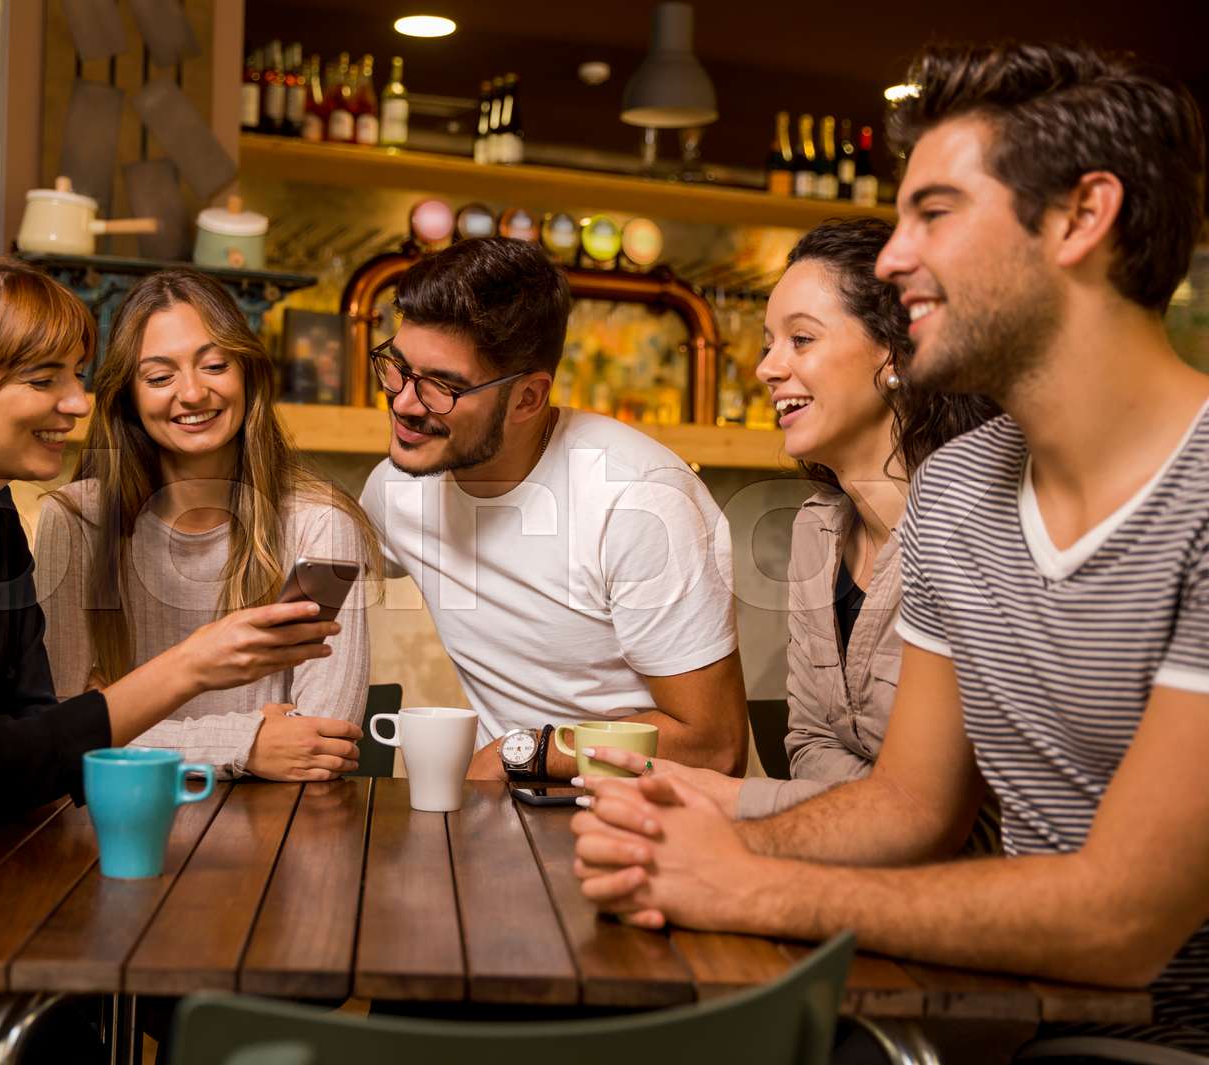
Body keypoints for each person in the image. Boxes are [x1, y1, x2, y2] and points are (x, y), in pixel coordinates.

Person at [573, 42, 1209, 1054]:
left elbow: (1123, 920)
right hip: (1014, 1018)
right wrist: (693, 843)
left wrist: (747, 883)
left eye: (934, 213)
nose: (893, 258)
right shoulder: (958, 492)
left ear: (1081, 217)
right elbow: (910, 807)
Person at [0, 257, 342, 826]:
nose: (78, 404)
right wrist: (193, 666)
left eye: (77, 376)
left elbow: (31, 738)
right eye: (44, 381)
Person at [581, 218, 998, 855]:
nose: (766, 368)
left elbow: (950, 823)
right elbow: (808, 745)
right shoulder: (817, 530)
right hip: (848, 872)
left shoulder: (973, 532)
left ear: (895, 352)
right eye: (769, 344)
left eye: (801, 339)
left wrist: (728, 798)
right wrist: (873, 807)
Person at [361, 237, 748, 783]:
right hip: (506, 811)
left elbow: (715, 747)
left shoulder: (640, 501)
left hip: (648, 814)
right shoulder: (397, 488)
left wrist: (519, 752)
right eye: (397, 368)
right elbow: (311, 600)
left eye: (442, 387)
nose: (403, 402)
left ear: (527, 398)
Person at [36, 269, 372, 781]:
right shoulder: (75, 520)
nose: (193, 393)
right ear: (127, 396)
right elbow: (56, 730)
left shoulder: (322, 524)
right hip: (122, 814)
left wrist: (114, 721)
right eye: (159, 377)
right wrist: (245, 742)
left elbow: (322, 739)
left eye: (215, 365)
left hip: (278, 821)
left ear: (247, 374)